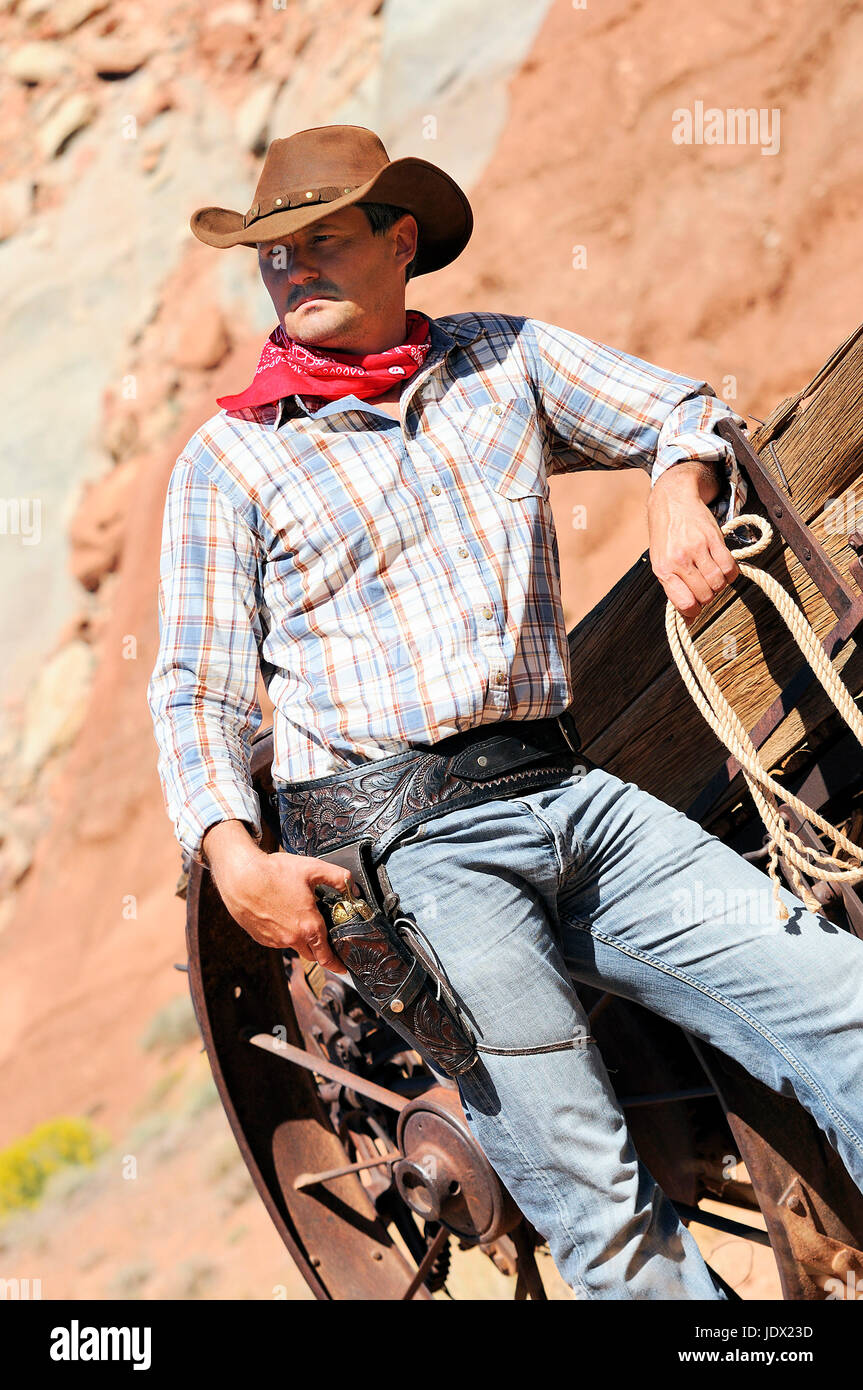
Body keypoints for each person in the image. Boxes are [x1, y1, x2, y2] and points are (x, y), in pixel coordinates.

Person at [147, 125, 863, 1298]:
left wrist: (676, 491)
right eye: (272, 255)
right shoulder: (231, 461)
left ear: (401, 241)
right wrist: (231, 857)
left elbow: (679, 408)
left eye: (321, 241)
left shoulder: (503, 360)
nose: (293, 271)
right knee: (598, 1202)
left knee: (836, 1003)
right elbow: (196, 687)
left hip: (570, 797)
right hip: (410, 859)